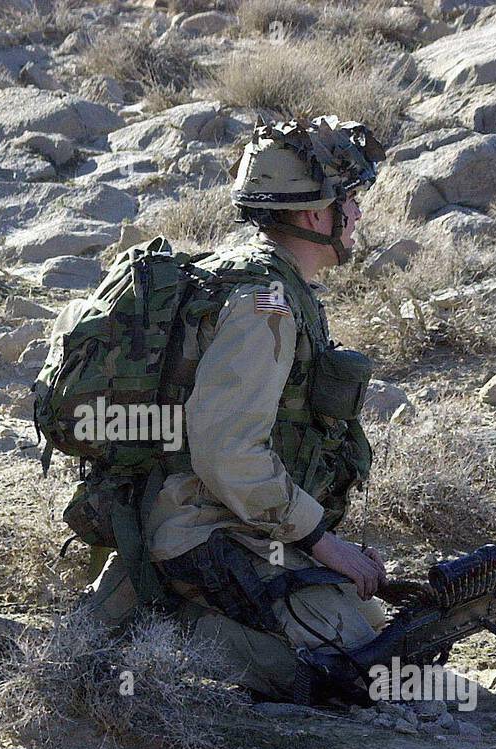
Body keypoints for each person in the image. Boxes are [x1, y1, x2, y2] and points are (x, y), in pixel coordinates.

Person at [89, 115, 390, 703]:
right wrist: (323, 542)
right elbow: (227, 452)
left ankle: (154, 597)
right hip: (204, 529)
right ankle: (169, 628)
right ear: (312, 214)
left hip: (221, 518)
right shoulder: (265, 305)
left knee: (372, 618)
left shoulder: (260, 278)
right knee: (357, 672)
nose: (356, 215)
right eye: (348, 200)